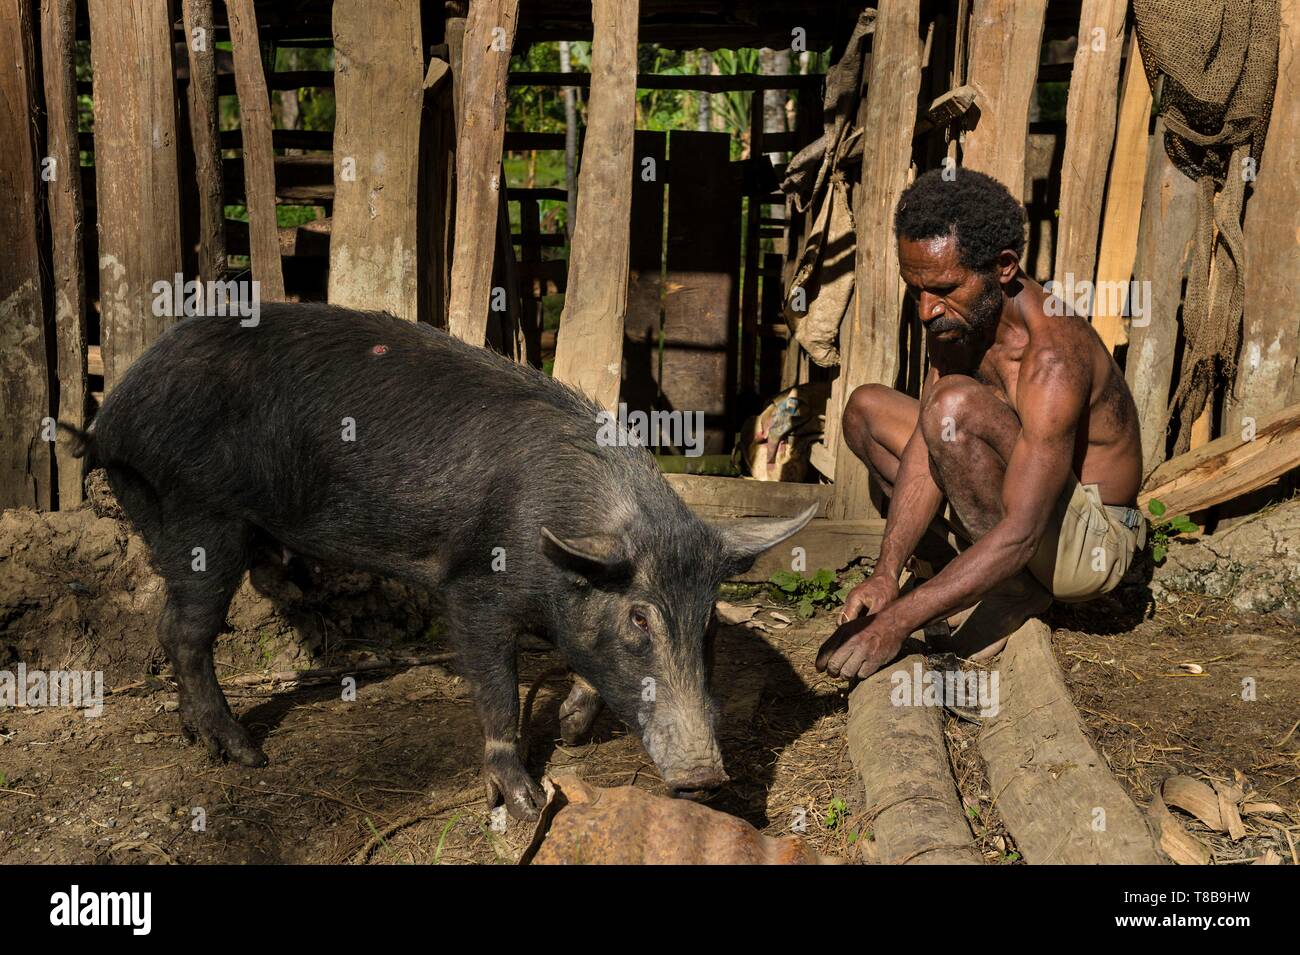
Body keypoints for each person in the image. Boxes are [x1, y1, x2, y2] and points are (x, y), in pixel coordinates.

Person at [816, 168, 1145, 680]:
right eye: (915, 289)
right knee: (867, 409)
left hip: (1087, 546)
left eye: (944, 288)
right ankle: (981, 580)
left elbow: (1022, 530)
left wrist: (895, 622)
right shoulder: (957, 320)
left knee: (954, 406)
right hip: (1025, 515)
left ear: (1004, 267)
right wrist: (886, 573)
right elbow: (927, 445)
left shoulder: (1054, 356)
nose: (926, 310)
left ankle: (1014, 591)